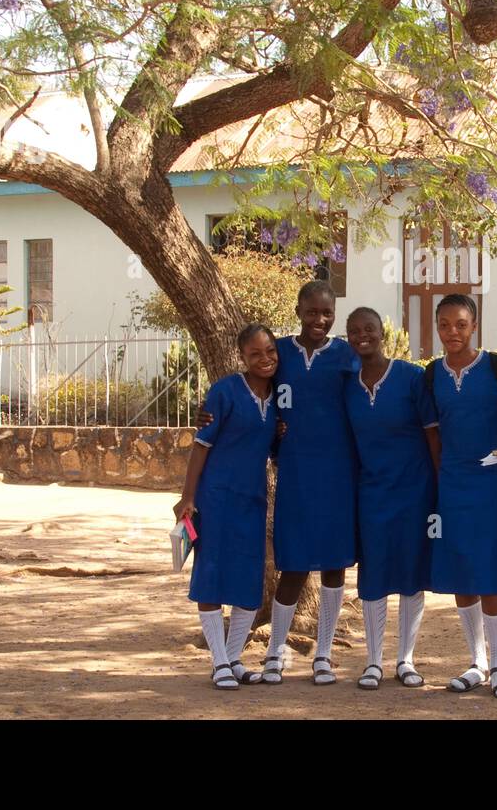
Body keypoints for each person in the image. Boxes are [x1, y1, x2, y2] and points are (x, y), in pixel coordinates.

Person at [262, 280, 361, 685]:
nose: (319, 319)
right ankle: (275, 652)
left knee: (335, 565)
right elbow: (256, 394)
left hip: (338, 474)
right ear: (299, 310)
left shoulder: (345, 355)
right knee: (294, 565)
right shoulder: (279, 353)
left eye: (327, 313)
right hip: (297, 474)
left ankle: (322, 654)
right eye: (312, 311)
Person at [425, 294, 497, 698]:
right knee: (461, 570)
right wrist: (439, 480)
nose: (452, 332)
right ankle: (477, 662)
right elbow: (431, 433)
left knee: (491, 569)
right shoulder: (431, 374)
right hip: (452, 483)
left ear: (474, 326)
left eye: (460, 324)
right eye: (445, 324)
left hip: (492, 481)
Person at [174, 323, 279, 690]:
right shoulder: (224, 392)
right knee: (212, 577)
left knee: (249, 581)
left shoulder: (281, 397)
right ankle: (218, 661)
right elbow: (201, 446)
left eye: (270, 351)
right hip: (216, 498)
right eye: (255, 354)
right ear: (242, 357)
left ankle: (233, 657)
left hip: (253, 500)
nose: (264, 359)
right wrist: (188, 497)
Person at [342, 307, 438, 690]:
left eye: (369, 329)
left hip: (415, 490)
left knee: (411, 575)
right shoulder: (346, 384)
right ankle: (373, 662)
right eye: (354, 331)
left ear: (383, 333)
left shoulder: (412, 378)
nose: (362, 335)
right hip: (371, 492)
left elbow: (433, 435)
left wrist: (440, 488)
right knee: (374, 574)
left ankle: (406, 660)